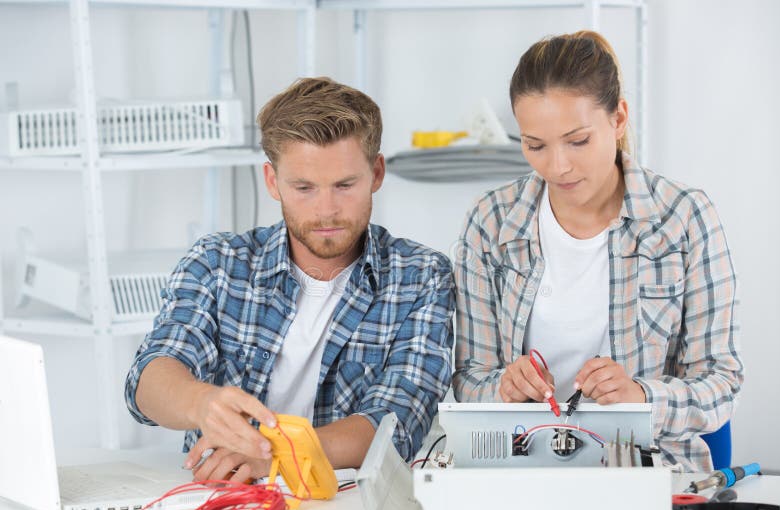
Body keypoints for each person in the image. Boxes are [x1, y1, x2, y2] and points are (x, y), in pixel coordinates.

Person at [124, 77, 455, 483]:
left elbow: (398, 421)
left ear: (377, 173)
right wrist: (200, 402)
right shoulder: (217, 263)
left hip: (347, 504)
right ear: (271, 181)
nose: (327, 209)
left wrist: (281, 455)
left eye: (345, 185)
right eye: (303, 188)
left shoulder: (420, 276)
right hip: (223, 499)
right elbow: (147, 381)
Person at [452, 31, 743, 471]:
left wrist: (642, 396)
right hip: (524, 467)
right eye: (535, 146)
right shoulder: (490, 222)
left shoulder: (684, 217)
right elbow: (471, 378)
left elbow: (722, 382)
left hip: (652, 468)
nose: (558, 166)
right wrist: (504, 388)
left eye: (578, 140)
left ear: (619, 118)